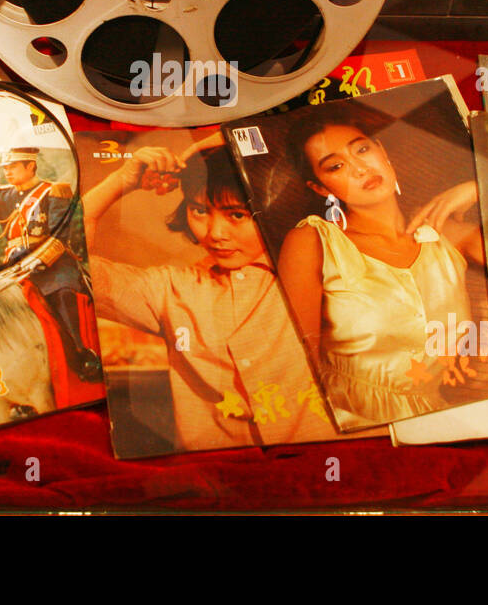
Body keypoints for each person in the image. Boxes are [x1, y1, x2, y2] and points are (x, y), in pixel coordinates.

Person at [81, 142, 340, 453]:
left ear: (274, 209)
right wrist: (120, 182)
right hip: (220, 477)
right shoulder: (169, 290)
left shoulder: (320, 265)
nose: (215, 232)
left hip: (327, 459)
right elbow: (56, 262)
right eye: (200, 211)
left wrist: (210, 142)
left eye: (237, 215)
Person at [277, 109, 484, 426]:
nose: (360, 168)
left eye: (362, 149)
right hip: (353, 423)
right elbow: (297, 369)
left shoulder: (447, 236)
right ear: (321, 188)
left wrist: (478, 185)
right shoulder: (314, 241)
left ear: (382, 150)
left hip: (438, 421)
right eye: (336, 165)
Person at [0, 146, 101, 382]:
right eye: (5, 168)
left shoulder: (54, 191)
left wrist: (37, 260)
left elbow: (59, 236)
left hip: (52, 263)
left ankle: (82, 351)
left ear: (30, 166)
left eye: (12, 167)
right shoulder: (2, 195)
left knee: (63, 292)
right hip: (13, 266)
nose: (7, 173)